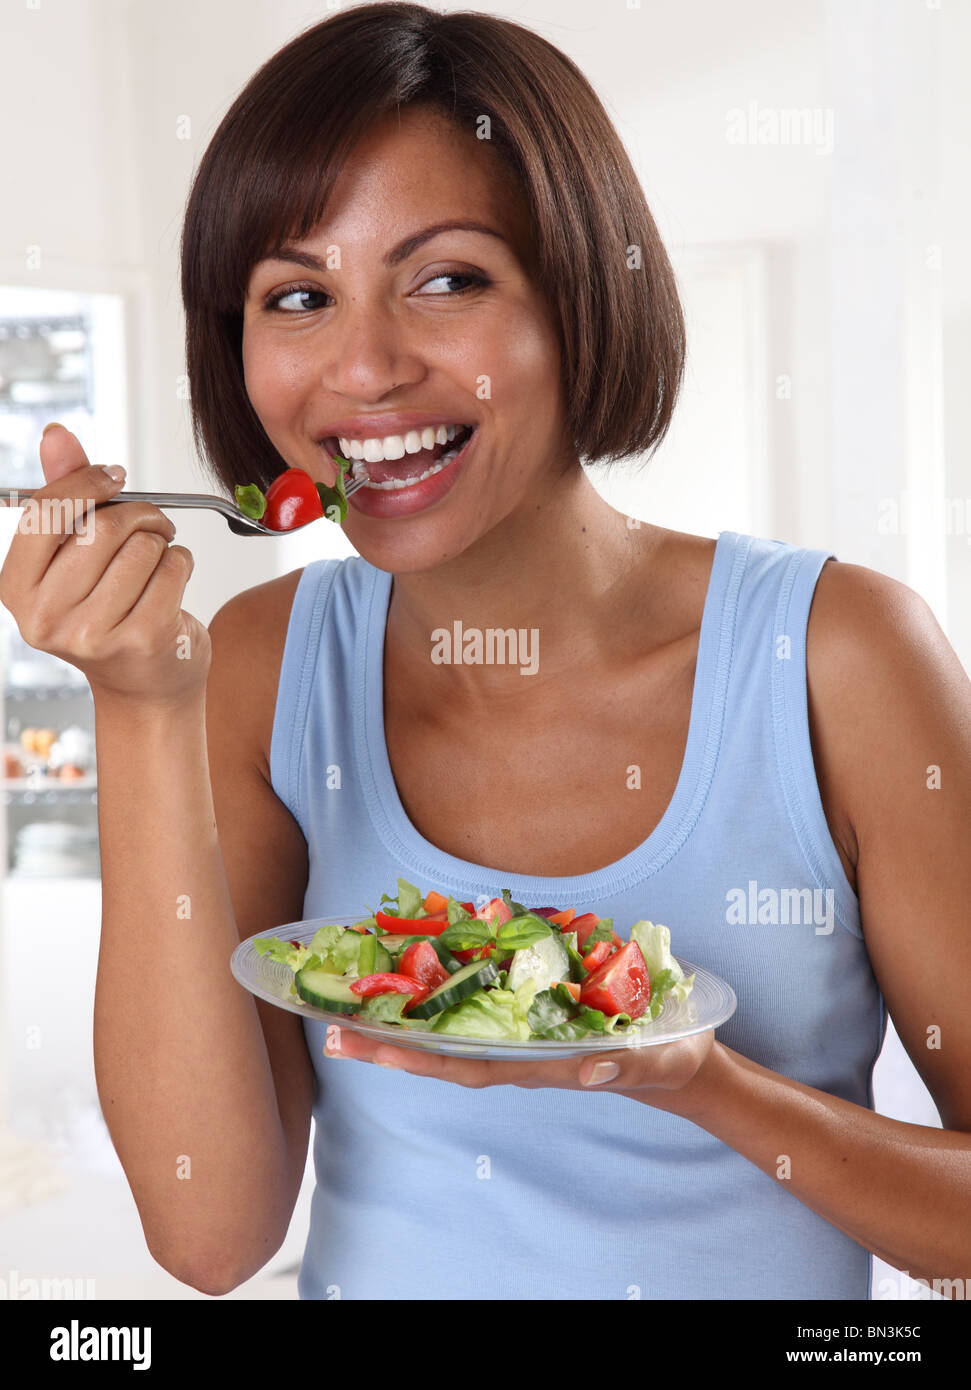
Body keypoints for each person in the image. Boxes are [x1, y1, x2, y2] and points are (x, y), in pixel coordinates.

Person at [2, 3, 969, 1301]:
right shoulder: (260, 664)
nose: (367, 365)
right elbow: (209, 1231)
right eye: (298, 294)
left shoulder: (837, 656)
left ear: (581, 289)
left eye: (446, 278)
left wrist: (701, 1081)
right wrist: (135, 702)